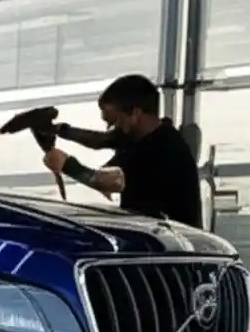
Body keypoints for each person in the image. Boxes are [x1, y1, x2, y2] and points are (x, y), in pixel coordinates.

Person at [42, 74, 203, 228]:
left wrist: (67, 165)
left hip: (173, 242)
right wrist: (60, 130)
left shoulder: (161, 149)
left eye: (114, 121)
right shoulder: (145, 134)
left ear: (135, 113)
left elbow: (110, 181)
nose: (110, 128)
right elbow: (101, 140)